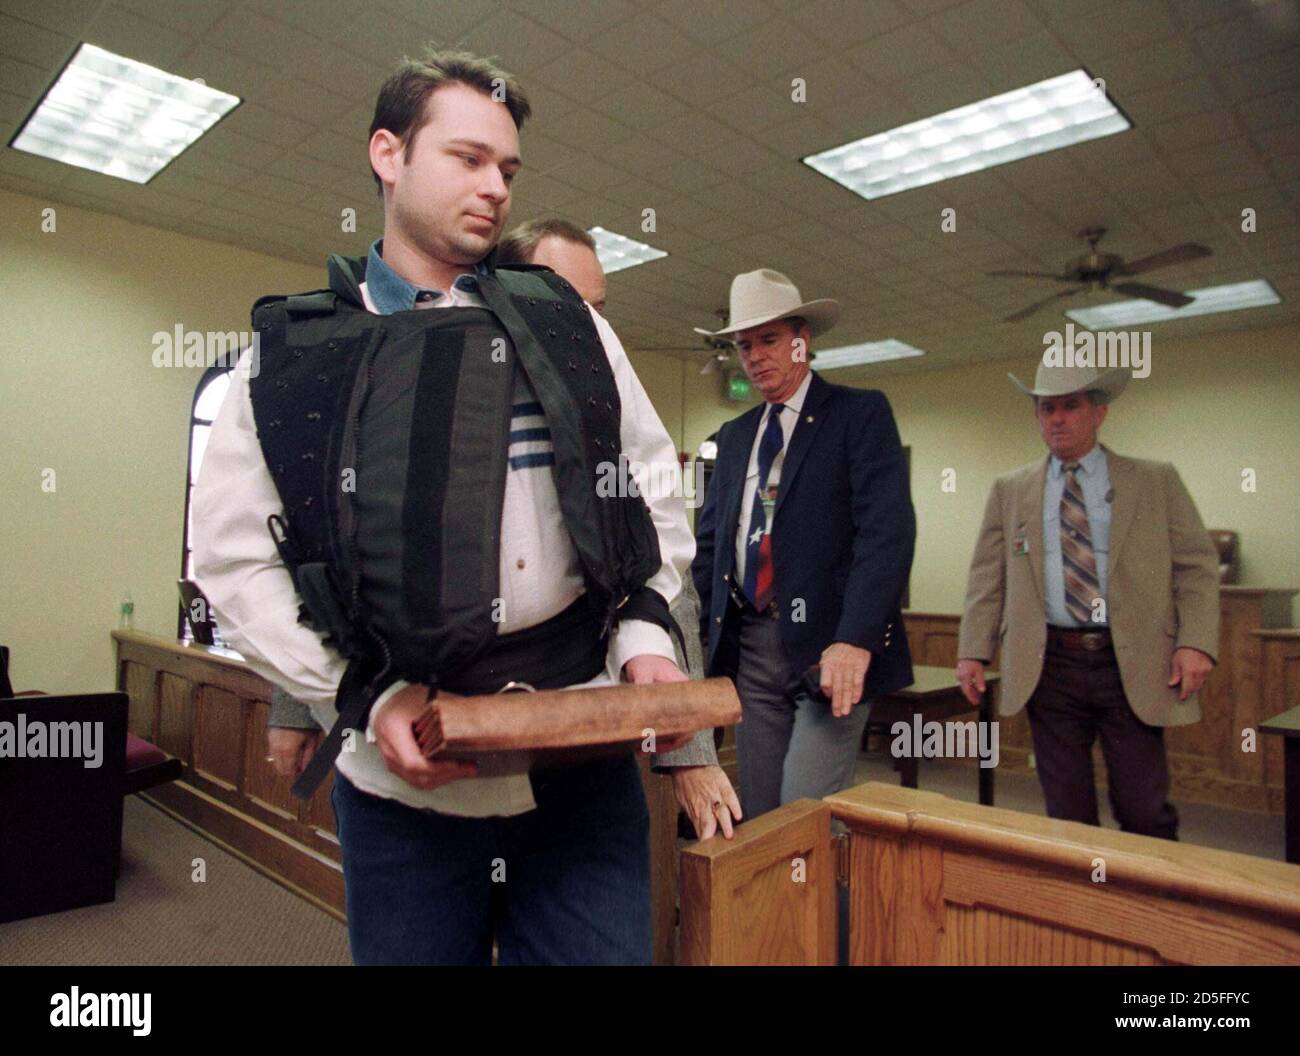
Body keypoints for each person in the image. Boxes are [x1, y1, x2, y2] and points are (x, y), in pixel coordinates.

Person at [192, 49, 696, 965]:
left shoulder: (574, 327)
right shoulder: (293, 357)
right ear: (388, 154)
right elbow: (231, 563)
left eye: (508, 169)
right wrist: (366, 696)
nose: (496, 187)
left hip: (577, 765)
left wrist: (647, 642)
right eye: (468, 159)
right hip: (401, 792)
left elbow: (653, 489)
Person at [497, 216, 741, 838]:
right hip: (459, 735)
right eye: (559, 298)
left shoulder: (608, 391)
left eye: (596, 308)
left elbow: (660, 558)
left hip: (587, 726)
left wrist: (689, 750)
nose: (583, 324)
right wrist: (300, 703)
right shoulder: (456, 365)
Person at [956, 361, 1219, 840]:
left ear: (1099, 413)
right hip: (1050, 663)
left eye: (1070, 406)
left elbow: (1197, 566)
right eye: (1046, 408)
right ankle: (1086, 907)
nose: (1057, 418)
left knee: (1143, 810)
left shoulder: (1154, 480)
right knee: (1067, 812)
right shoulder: (1011, 489)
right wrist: (973, 649)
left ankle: (1153, 906)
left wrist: (1196, 642)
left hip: (1131, 662)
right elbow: (986, 576)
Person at [691, 269, 916, 819]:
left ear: (801, 340)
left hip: (830, 649)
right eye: (744, 345)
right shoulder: (734, 437)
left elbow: (886, 534)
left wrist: (856, 639)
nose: (755, 357)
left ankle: (827, 908)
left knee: (806, 814)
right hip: (751, 648)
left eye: (769, 340)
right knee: (762, 818)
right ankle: (775, 909)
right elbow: (713, 544)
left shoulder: (859, 416)